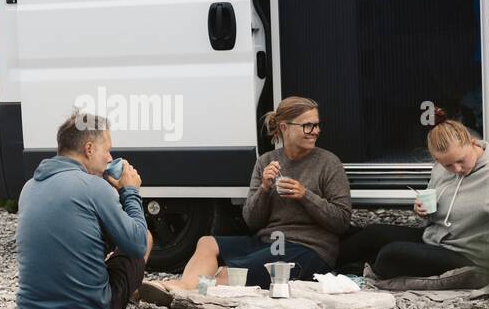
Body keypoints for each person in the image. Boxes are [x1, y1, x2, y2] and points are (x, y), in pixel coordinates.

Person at [338, 110, 489, 278]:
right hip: (435, 240)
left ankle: (358, 270)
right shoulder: (441, 169)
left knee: (392, 254)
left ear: (472, 143)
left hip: (471, 256)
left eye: (460, 161)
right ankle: (321, 265)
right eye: (447, 165)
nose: (456, 169)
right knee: (374, 233)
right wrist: (423, 212)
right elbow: (435, 213)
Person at [145, 96, 353, 296]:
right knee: (207, 243)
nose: (315, 131)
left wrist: (305, 195)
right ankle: (183, 287)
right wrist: (264, 188)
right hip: (269, 242)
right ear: (284, 128)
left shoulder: (328, 164)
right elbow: (252, 221)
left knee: (229, 275)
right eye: (307, 126)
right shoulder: (266, 161)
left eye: (316, 125)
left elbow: (342, 221)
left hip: (308, 249)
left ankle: (172, 289)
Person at [16, 110, 154, 309]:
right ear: (89, 149)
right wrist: (130, 192)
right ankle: (123, 297)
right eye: (107, 150)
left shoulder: (29, 187)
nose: (110, 158)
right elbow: (137, 244)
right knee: (145, 237)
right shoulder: (94, 187)